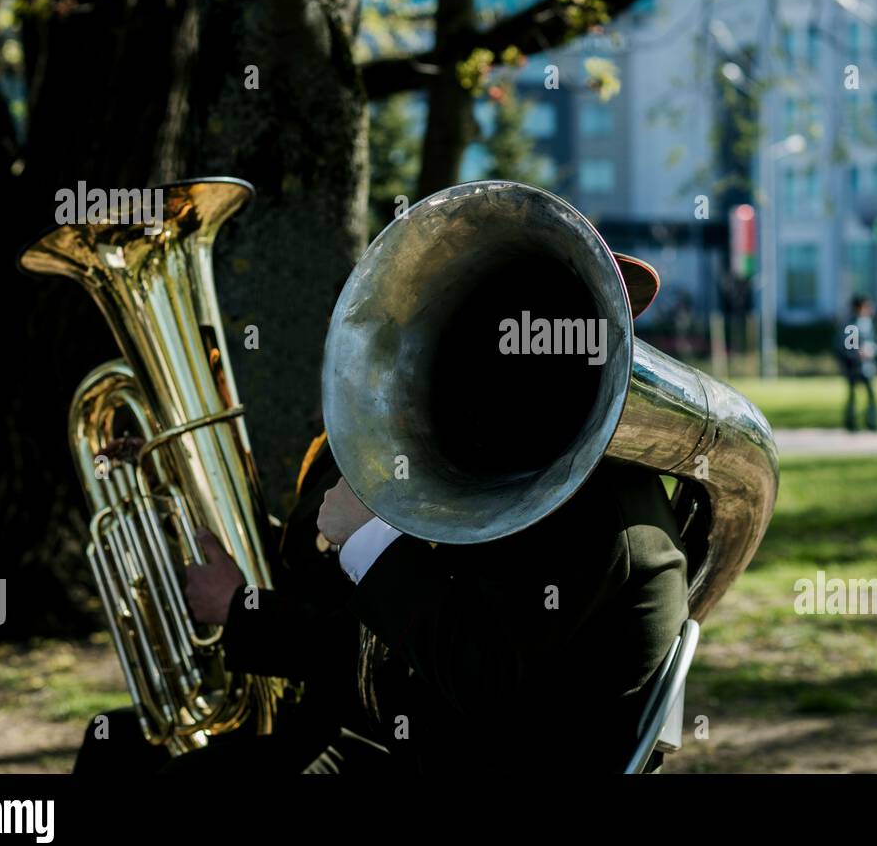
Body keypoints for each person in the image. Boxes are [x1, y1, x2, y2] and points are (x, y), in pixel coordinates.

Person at [75, 252, 690, 774]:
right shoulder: (516, 478)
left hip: (442, 753)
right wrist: (182, 514)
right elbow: (365, 598)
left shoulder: (590, 506)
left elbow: (468, 672)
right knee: (116, 744)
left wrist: (351, 552)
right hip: (403, 739)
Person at [836, 294, 877, 432]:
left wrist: (871, 351)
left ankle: (872, 422)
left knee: (870, 394)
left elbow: (874, 343)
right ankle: (852, 422)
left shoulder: (867, 323)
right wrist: (858, 354)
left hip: (866, 365)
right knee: (853, 395)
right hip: (855, 367)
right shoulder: (852, 326)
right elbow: (849, 347)